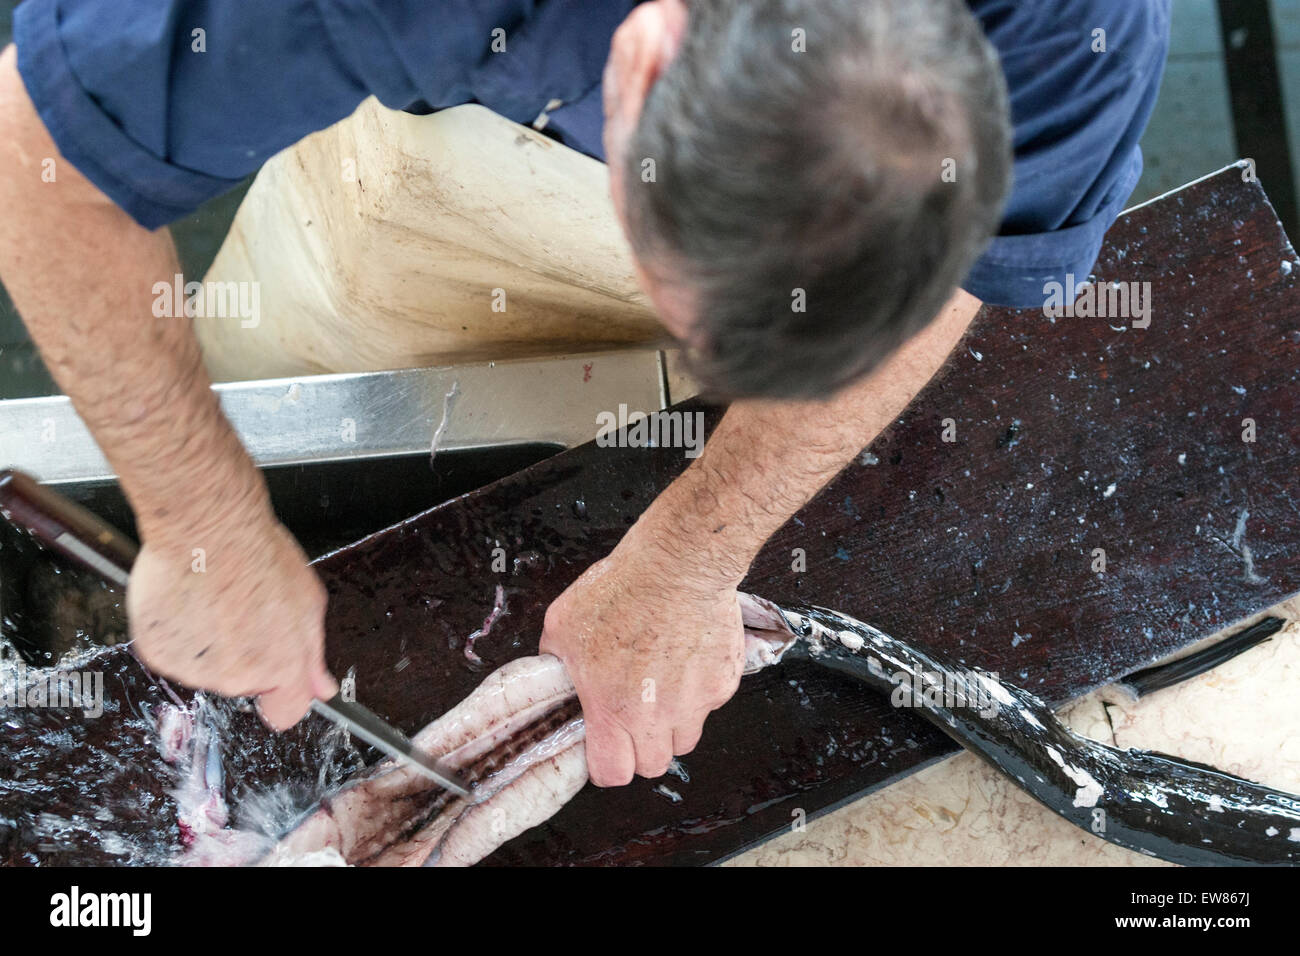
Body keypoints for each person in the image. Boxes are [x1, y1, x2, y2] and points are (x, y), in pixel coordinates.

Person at [0, 0, 1170, 788]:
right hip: (421, 189)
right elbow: (33, 165)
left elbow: (968, 270)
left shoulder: (1078, 26)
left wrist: (689, 560)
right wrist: (200, 523)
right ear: (642, 64)